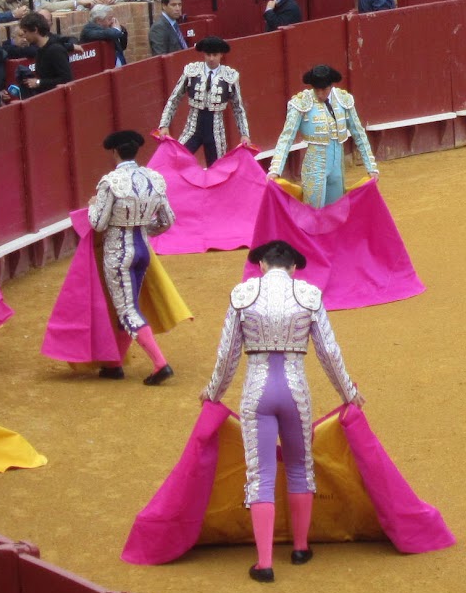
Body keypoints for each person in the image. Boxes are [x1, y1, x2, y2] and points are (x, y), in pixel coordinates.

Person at [201, 238, 363, 577]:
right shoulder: (309, 296)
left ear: (261, 266)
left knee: (260, 475)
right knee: (300, 466)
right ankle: (301, 549)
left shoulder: (243, 296)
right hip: (295, 391)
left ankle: (265, 563)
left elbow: (227, 355)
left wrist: (213, 393)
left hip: (257, 392)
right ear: (292, 268)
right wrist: (348, 392)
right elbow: (329, 354)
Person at [89, 130, 176, 385]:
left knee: (127, 309)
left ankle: (160, 364)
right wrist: (141, 229)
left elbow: (97, 223)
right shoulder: (154, 179)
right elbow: (168, 220)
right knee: (129, 306)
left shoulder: (111, 182)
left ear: (114, 153)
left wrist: (93, 204)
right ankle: (115, 364)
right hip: (142, 250)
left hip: (119, 253)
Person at [268, 64, 377, 208]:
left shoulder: (343, 100)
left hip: (337, 166)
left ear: (331, 86)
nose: (320, 94)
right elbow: (286, 138)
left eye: (324, 89)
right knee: (314, 216)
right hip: (315, 166)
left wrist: (371, 168)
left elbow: (359, 134)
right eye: (316, 90)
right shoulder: (301, 103)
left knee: (336, 213)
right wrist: (275, 170)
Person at [155, 36, 250, 166]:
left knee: (217, 170)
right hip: (192, 128)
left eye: (215, 55)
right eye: (208, 54)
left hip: (216, 131)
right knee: (175, 162)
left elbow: (238, 108)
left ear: (221, 55)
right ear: (203, 54)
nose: (211, 58)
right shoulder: (191, 72)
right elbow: (174, 99)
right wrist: (164, 125)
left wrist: (245, 134)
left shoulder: (230, 77)